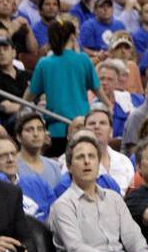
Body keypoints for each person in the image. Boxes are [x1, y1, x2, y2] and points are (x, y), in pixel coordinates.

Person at [26, 19, 99, 156]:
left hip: (55, 129)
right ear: (72, 37)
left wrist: (20, 109)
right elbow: (97, 89)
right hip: (82, 126)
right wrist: (109, 106)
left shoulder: (45, 62)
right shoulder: (83, 59)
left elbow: (31, 92)